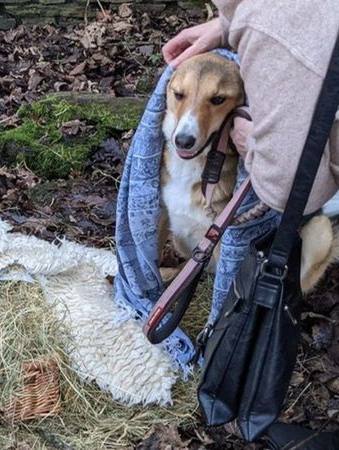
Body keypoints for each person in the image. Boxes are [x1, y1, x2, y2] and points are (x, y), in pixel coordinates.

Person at [163, 3, 339, 449]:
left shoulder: (267, 28)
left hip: (302, 185)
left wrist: (249, 143)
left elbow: (289, 188)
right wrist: (227, 26)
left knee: (307, 229)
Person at [162, 1, 339, 216]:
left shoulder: (269, 37)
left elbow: (292, 193)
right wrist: (228, 24)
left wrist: (250, 143)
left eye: (217, 99)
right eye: (180, 95)